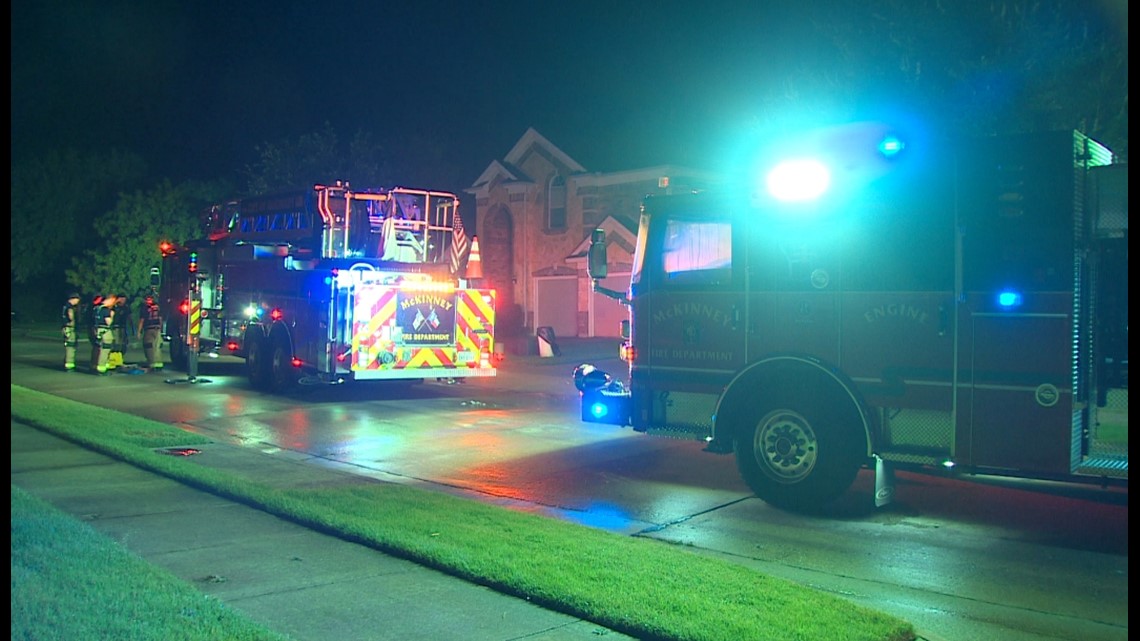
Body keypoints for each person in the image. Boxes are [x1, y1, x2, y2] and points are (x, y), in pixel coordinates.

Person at [137, 294, 164, 371]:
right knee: (157, 347)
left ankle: (152, 363)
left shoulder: (144, 308)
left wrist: (139, 332)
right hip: (157, 329)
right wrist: (161, 329)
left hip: (149, 329)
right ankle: (158, 364)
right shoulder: (158, 307)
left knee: (148, 346)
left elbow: (142, 320)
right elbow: (161, 319)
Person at [92, 294, 117, 376]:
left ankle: (95, 366)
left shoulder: (97, 308)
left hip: (98, 330)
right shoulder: (106, 309)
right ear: (110, 300)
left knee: (99, 348)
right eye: (113, 301)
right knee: (105, 349)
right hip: (105, 331)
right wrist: (112, 315)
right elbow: (108, 322)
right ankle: (102, 368)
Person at [109, 294, 132, 370]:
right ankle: (113, 361)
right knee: (115, 344)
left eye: (124, 299)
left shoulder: (126, 308)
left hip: (123, 327)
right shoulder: (114, 307)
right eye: (121, 299)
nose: (123, 301)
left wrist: (131, 327)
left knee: (122, 344)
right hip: (115, 327)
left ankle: (119, 360)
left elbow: (129, 318)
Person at [60, 292, 82, 372]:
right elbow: (71, 316)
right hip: (70, 328)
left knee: (68, 346)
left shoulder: (65, 306)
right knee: (71, 346)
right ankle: (69, 365)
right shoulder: (70, 307)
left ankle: (67, 363)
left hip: (65, 327)